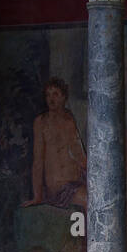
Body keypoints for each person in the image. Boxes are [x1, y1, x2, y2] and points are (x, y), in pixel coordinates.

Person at [22, 77, 87, 210]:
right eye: (48, 95)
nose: (51, 99)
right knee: (89, 199)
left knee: (102, 194)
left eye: (56, 94)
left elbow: (78, 152)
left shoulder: (69, 119)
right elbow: (38, 161)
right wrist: (37, 195)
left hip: (77, 181)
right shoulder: (41, 122)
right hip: (59, 188)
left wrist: (93, 174)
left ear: (64, 97)